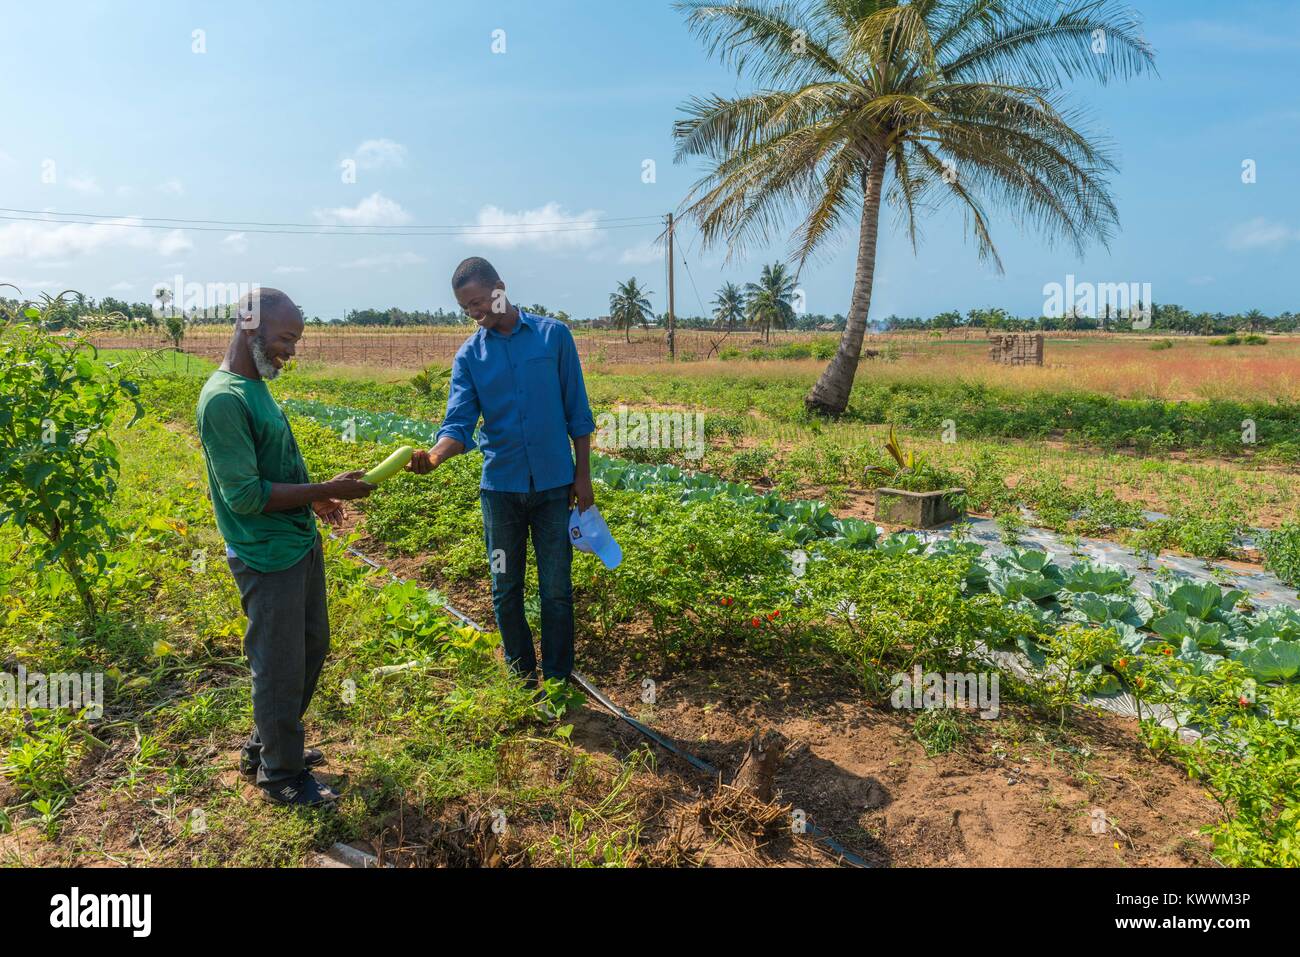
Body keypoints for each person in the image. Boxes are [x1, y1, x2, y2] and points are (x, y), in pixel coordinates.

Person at [196, 287, 375, 806]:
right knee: (278, 664)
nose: (291, 352)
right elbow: (247, 496)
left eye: (295, 339)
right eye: (284, 339)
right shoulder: (225, 399)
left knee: (310, 647)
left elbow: (273, 466)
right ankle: (280, 776)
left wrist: (314, 501)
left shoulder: (254, 386)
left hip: (296, 542)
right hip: (264, 554)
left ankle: (268, 743)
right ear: (249, 328)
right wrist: (326, 489)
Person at [410, 258, 595, 690]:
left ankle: (556, 681)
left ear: (499, 288)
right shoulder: (470, 356)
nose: (474, 313)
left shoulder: (554, 337)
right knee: (505, 586)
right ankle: (521, 679)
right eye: (465, 308)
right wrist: (435, 456)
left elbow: (578, 414)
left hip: (554, 488)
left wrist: (582, 476)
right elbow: (457, 425)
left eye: (477, 302)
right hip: (501, 492)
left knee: (556, 588)